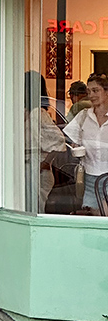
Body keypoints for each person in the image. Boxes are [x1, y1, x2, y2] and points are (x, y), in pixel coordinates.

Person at [64, 73, 108, 215]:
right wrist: (75, 147)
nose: (91, 95)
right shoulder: (83, 116)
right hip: (89, 179)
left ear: (106, 92)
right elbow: (71, 141)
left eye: (95, 90)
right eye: (89, 91)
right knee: (92, 218)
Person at [24, 71, 67, 211]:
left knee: (35, 209)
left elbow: (59, 140)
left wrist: (45, 163)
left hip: (37, 169)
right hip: (30, 167)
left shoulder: (38, 113)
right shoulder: (26, 113)